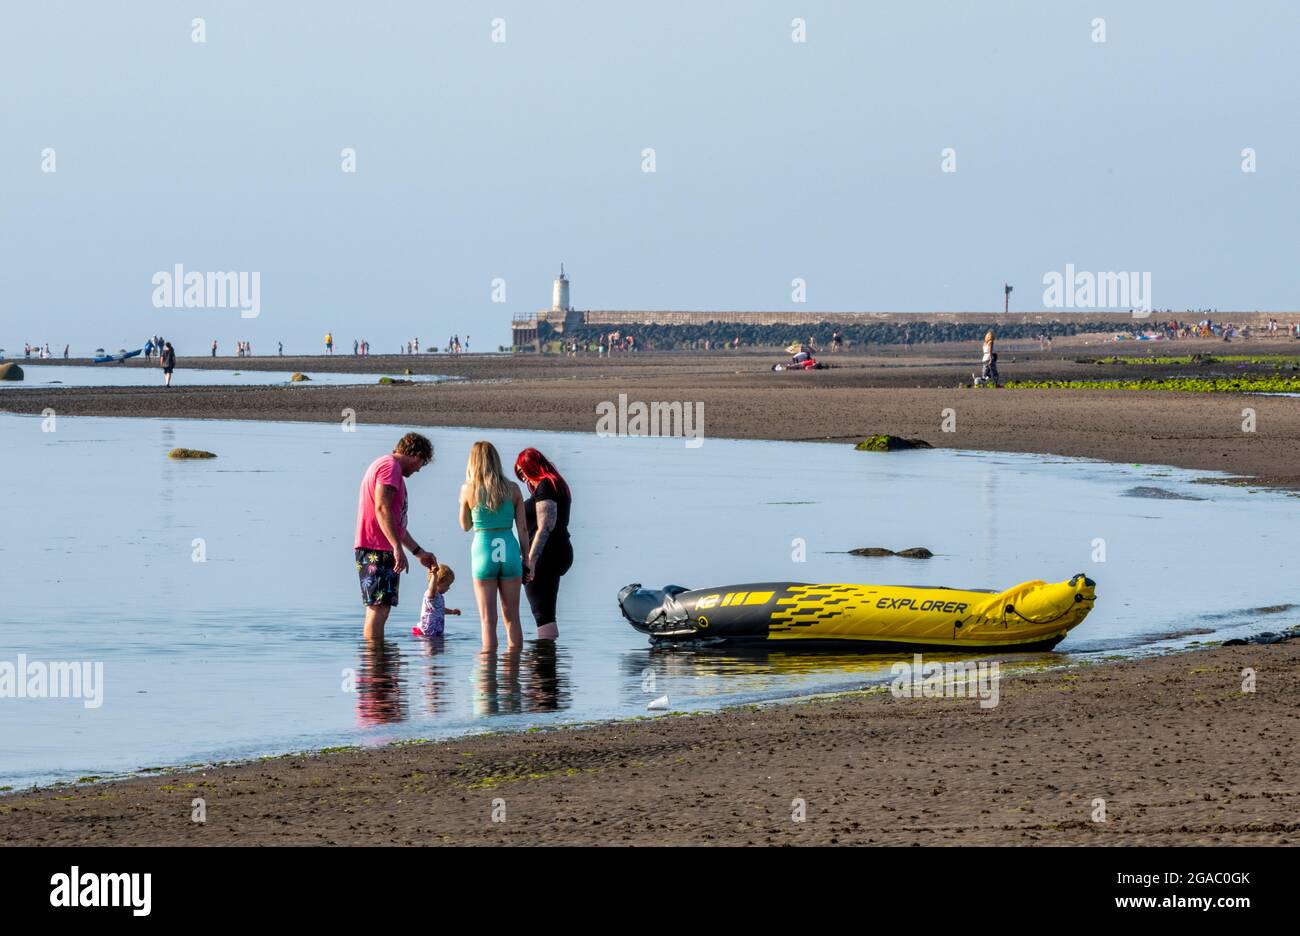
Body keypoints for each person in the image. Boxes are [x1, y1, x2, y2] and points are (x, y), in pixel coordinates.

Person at [354, 433, 438, 641]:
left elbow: (395, 522)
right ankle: (375, 666)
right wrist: (396, 548)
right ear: (416, 456)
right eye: (421, 464)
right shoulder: (390, 467)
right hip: (376, 548)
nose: (418, 470)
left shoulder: (388, 467)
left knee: (381, 608)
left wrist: (418, 551)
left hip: (380, 547)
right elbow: (382, 508)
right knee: (378, 608)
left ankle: (377, 665)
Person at [459, 441, 530, 653]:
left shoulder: (468, 489)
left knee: (488, 620)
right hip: (509, 550)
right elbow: (523, 529)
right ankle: (513, 676)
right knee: (512, 618)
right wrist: (526, 560)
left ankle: (486, 681)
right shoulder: (513, 489)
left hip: (483, 551)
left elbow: (465, 526)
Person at [515, 448, 573, 641]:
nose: (523, 478)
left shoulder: (546, 486)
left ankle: (544, 665)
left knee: (543, 615)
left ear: (533, 467)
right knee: (545, 613)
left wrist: (530, 561)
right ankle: (545, 664)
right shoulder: (556, 485)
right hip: (555, 552)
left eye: (523, 472)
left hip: (546, 556)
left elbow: (545, 527)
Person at [413, 563, 461, 638]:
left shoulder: (439, 597)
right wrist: (434, 575)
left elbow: (440, 609)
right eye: (446, 585)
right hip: (427, 633)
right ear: (437, 583)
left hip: (435, 632)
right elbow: (432, 588)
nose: (448, 588)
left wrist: (451, 612)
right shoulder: (431, 594)